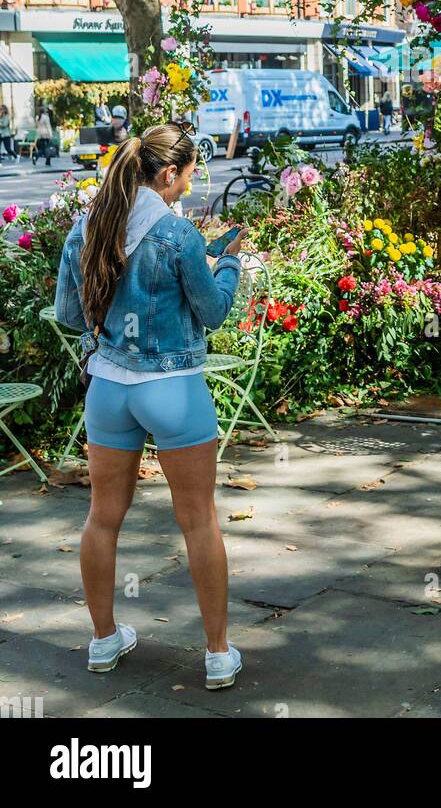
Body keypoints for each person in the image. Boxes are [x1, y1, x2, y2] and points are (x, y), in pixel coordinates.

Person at [54, 123, 248, 690]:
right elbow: (212, 312)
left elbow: (69, 313)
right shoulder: (179, 234)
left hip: (109, 391)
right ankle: (216, 655)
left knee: (102, 518)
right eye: (187, 177)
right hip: (174, 391)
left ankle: (103, 640)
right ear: (168, 174)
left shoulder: (89, 225)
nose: (188, 187)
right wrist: (230, 263)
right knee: (198, 521)